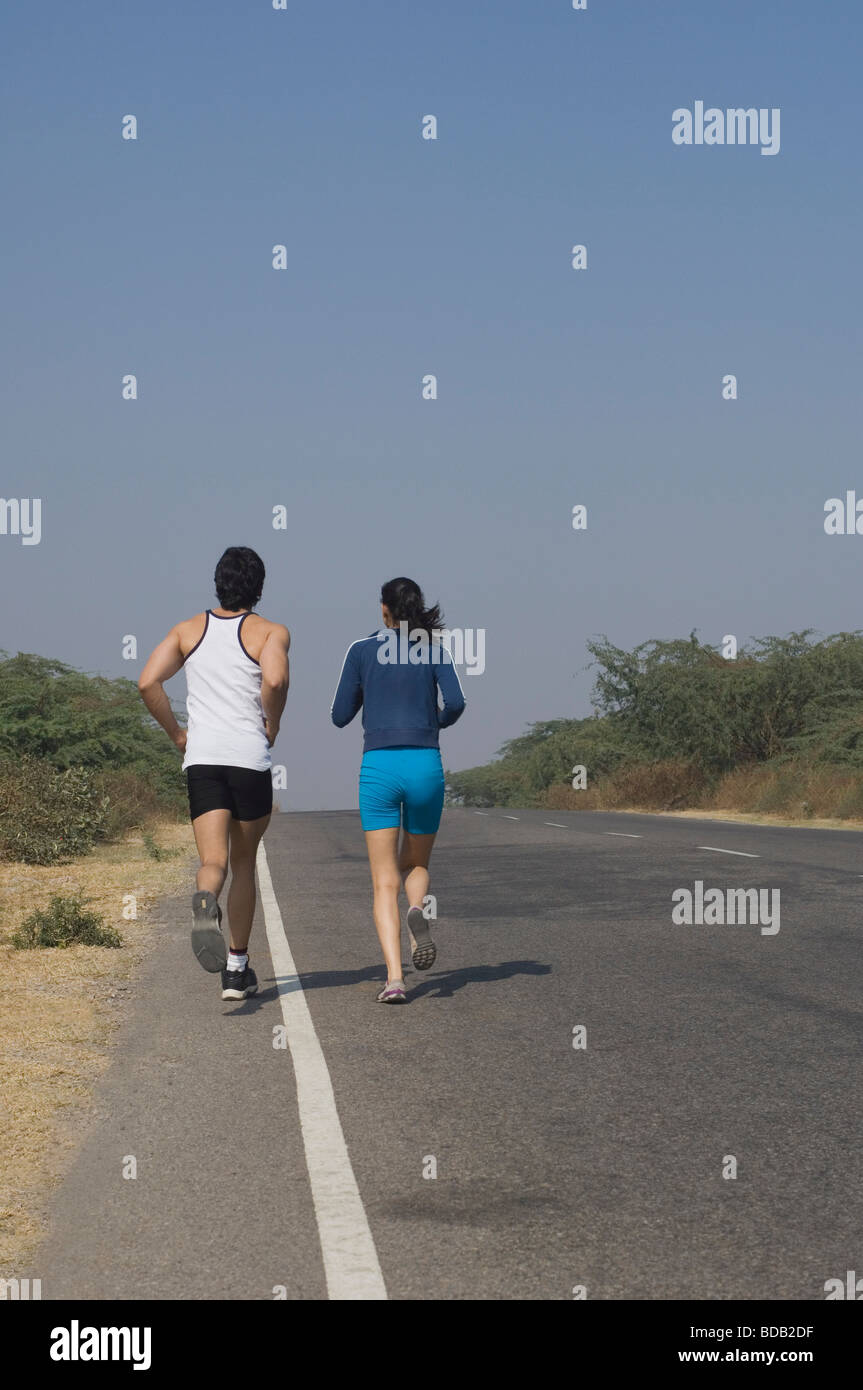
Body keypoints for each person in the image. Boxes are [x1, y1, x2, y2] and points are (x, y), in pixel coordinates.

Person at [138, 547, 290, 1002]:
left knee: (213, 862)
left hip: (202, 758)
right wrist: (273, 723)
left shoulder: (187, 630)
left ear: (217, 583)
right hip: (248, 756)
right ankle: (236, 969)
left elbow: (148, 682)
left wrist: (177, 733)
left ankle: (206, 903)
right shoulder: (271, 632)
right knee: (244, 865)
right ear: (259, 587)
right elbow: (277, 681)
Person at [331, 577, 466, 1003]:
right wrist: (432, 723)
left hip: (380, 768)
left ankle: (394, 979)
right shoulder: (433, 650)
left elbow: (339, 716)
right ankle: (416, 910)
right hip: (425, 763)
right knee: (417, 862)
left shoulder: (360, 650)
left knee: (382, 881)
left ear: (384, 609)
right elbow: (457, 702)